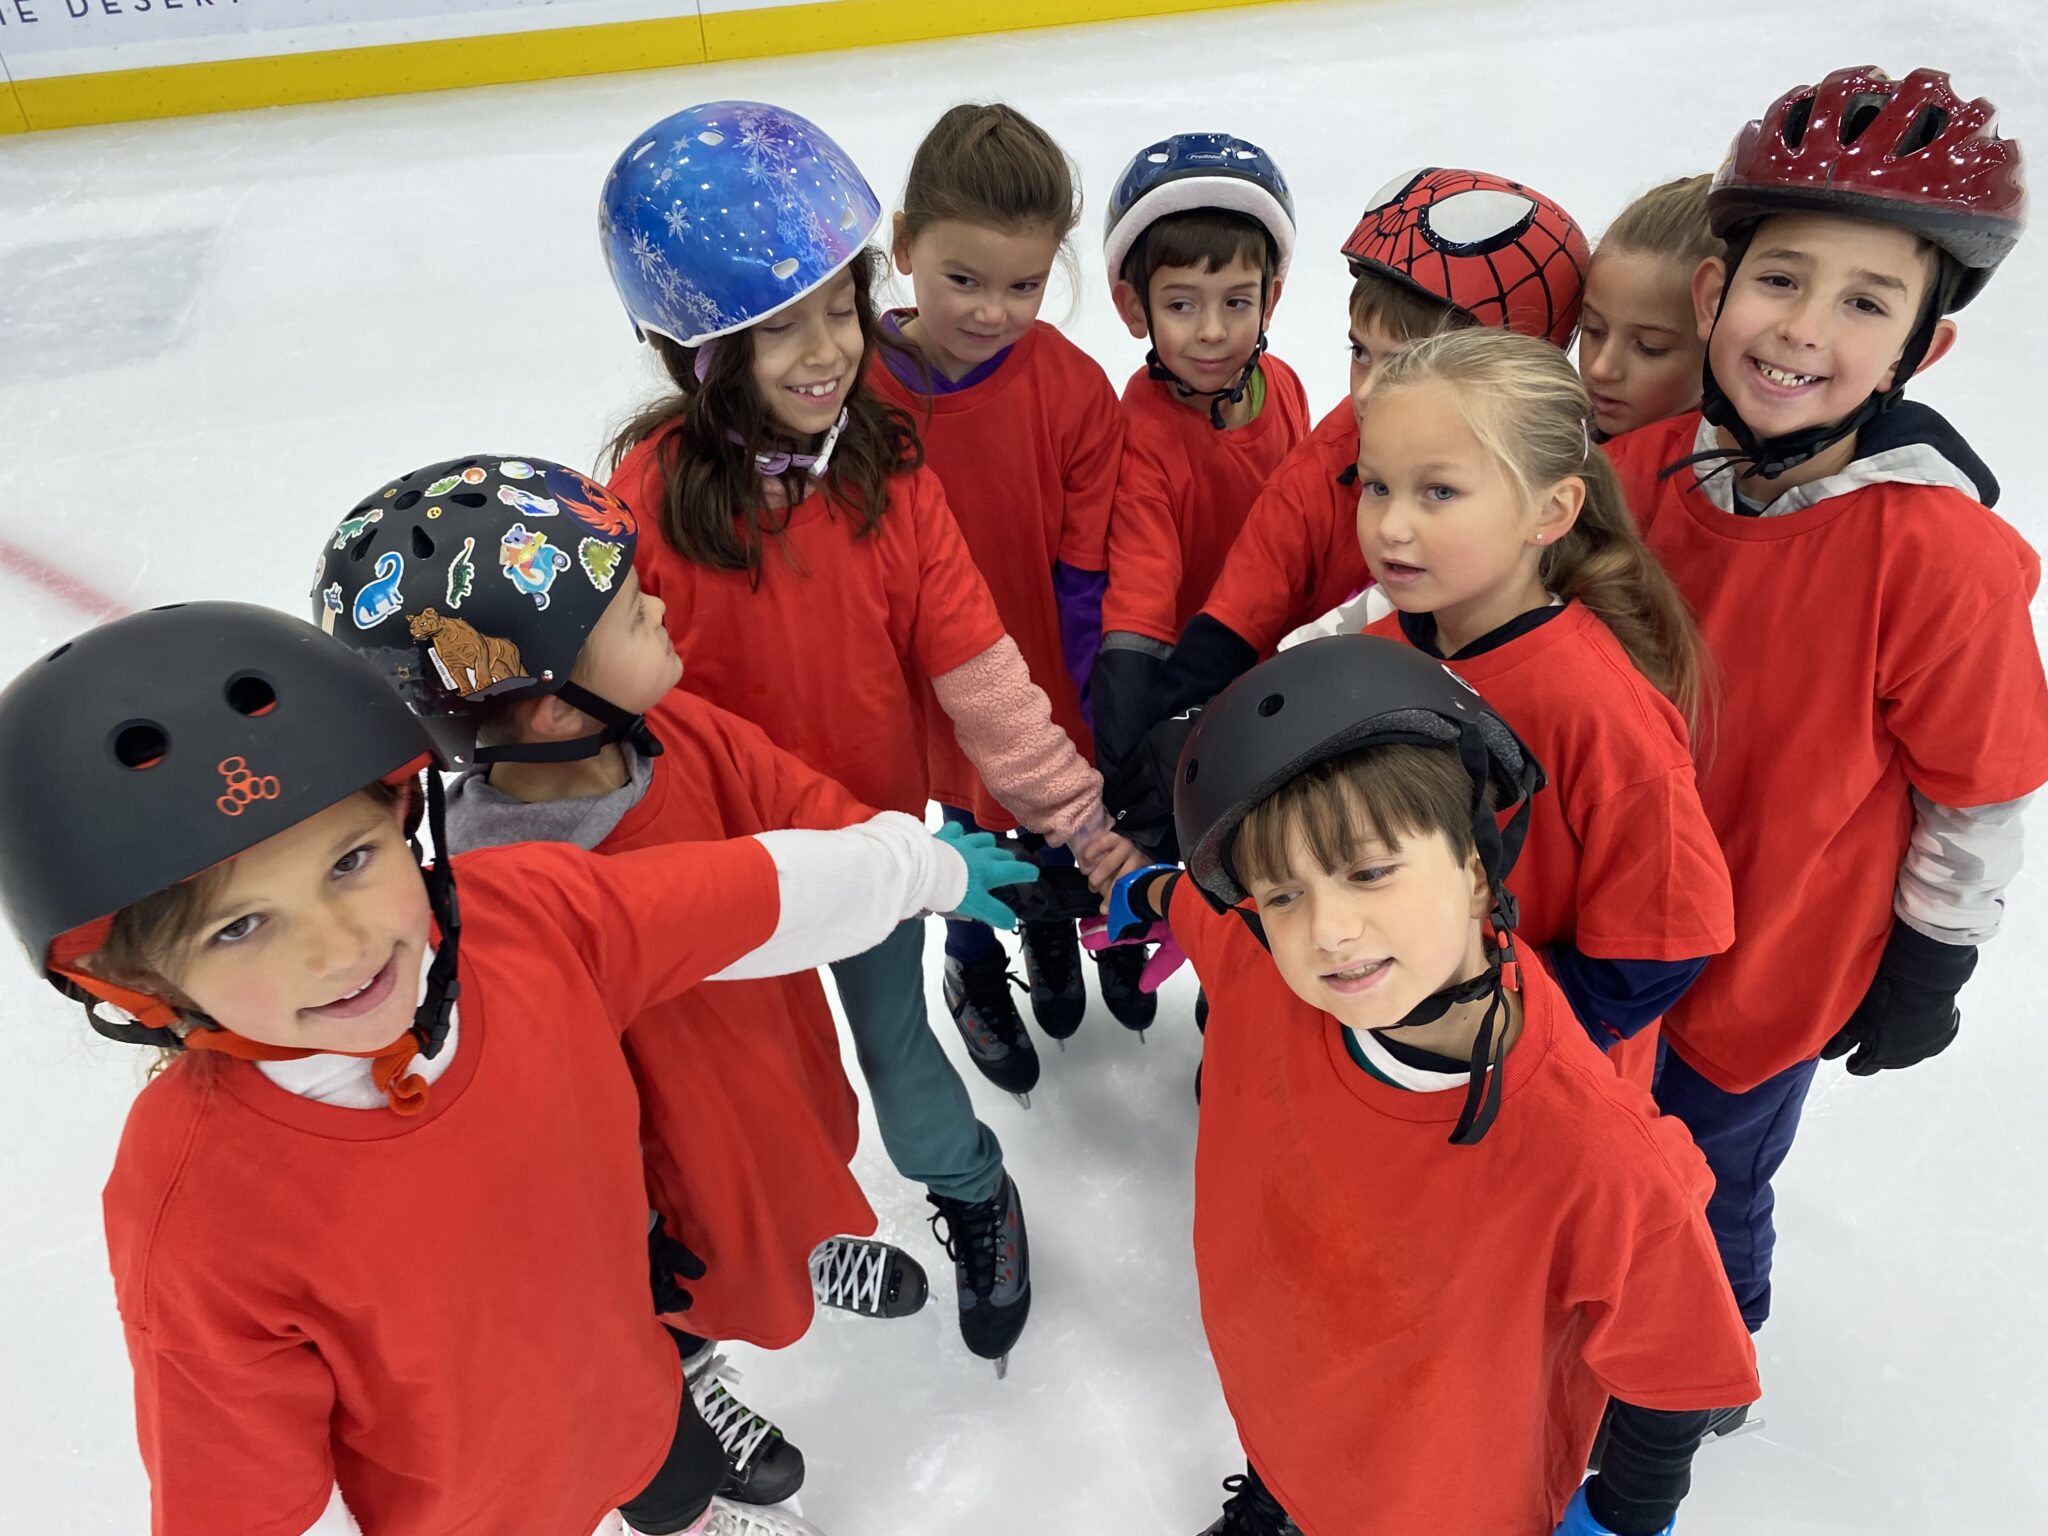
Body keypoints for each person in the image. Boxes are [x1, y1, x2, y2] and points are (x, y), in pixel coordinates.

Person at [0, 601, 1033, 1536]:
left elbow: (742, 896)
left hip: (634, 1385)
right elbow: (229, 1493)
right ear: (137, 983)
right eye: (241, 926)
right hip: (478, 1509)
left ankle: (694, 1522)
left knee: (671, 1484)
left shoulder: (525, 920)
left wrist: (924, 870)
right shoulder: (196, 1205)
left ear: (407, 826)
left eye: (351, 862)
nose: (341, 948)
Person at [316, 454, 982, 1503]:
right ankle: (698, 1377)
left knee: (780, 1180)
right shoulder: (499, 891)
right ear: (547, 706)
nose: (661, 608)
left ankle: (799, 1250)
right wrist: (619, 1228)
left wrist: (896, 860)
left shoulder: (672, 731)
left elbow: (791, 795)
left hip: (759, 1066)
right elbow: (535, 1107)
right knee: (672, 1293)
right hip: (658, 1172)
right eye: (631, 612)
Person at [598, 101, 1144, 1371]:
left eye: (838, 309)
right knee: (770, 1104)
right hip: (731, 874)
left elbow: (983, 679)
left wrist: (1085, 828)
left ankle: (971, 1193)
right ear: (691, 348)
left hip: (877, 849)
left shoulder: (889, 474)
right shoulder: (641, 498)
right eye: (773, 328)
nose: (821, 352)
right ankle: (801, 1225)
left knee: (905, 1083)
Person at [1096, 636, 1757, 1536]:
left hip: (1440, 1498)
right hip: (1293, 1398)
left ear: (1477, 872)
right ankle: (1284, 1496)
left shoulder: (1590, 1149)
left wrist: (1625, 1512)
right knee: (1297, 1461)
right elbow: (1204, 909)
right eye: (1284, 894)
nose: (1328, 931)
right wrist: (1142, 894)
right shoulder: (1262, 964)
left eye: (1369, 871)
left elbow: (1679, 1367)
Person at [1603, 65, 2048, 1341]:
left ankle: (1703, 1342)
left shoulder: (1935, 557)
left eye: (1865, 302)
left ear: (1921, 347)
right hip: (1605, 933)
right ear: (1713, 293)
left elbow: (1978, 785)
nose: (1803, 328)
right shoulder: (1627, 476)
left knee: (1711, 1184)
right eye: (1780, 278)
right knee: (1597, 1151)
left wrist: (1933, 952)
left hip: (1771, 965)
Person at [1106, 167, 1591, 854]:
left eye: (1409, 363)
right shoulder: (1335, 445)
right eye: (1362, 355)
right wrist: (1167, 758)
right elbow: (1249, 596)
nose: (1371, 396)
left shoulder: (1556, 499)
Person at [1349, 328, 1730, 1090]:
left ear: (1550, 511)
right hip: (1399, 1045)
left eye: (1439, 492)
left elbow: (1667, 940)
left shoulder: (1596, 705)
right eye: (1375, 485)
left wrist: (1508, 1029)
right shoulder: (1382, 645)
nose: (1390, 525)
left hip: (1534, 1082)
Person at [871, 103, 1132, 1040]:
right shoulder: (848, 390)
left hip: (1034, 670)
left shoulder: (1071, 388)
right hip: (912, 678)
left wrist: (1091, 696)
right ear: (903, 245)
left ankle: (1049, 930)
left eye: (1024, 285)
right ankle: (972, 953)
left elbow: (1088, 567)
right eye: (964, 279)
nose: (993, 311)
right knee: (957, 831)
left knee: (1031, 819)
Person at [1089, 133, 1311, 1026]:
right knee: (1168, 836)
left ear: (1273, 300)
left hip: (1270, 669)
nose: (1212, 332)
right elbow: (1142, 575)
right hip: (1184, 683)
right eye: (1182, 304)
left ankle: (1240, 998)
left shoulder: (1288, 387)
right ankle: (1127, 928)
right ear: (1134, 307)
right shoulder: (1136, 430)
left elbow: (1306, 519)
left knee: (1264, 855)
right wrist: (1135, 713)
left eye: (1235, 301)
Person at [1578, 174, 1718, 439]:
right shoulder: (1557, 429)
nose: (1601, 368)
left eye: (1650, 347)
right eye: (1593, 329)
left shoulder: (1713, 477)